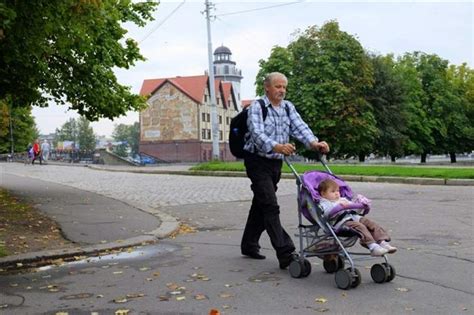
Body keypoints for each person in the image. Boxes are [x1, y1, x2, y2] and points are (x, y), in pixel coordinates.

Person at [241, 72, 330, 269]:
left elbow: (300, 127)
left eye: (284, 87)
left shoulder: (288, 107)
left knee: (261, 204)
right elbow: (256, 134)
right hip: (257, 161)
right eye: (278, 86)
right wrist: (277, 146)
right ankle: (286, 253)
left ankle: (248, 244)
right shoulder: (257, 107)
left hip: (275, 163)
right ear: (267, 87)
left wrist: (315, 143)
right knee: (270, 205)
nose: (281, 90)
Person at [318, 179, 397, 256]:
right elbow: (327, 214)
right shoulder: (324, 203)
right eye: (333, 191)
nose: (337, 193)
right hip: (340, 223)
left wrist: (361, 205)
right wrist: (339, 207)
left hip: (353, 217)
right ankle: (372, 246)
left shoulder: (342, 200)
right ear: (323, 194)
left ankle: (382, 242)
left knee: (369, 223)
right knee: (360, 226)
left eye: (338, 191)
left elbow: (354, 210)